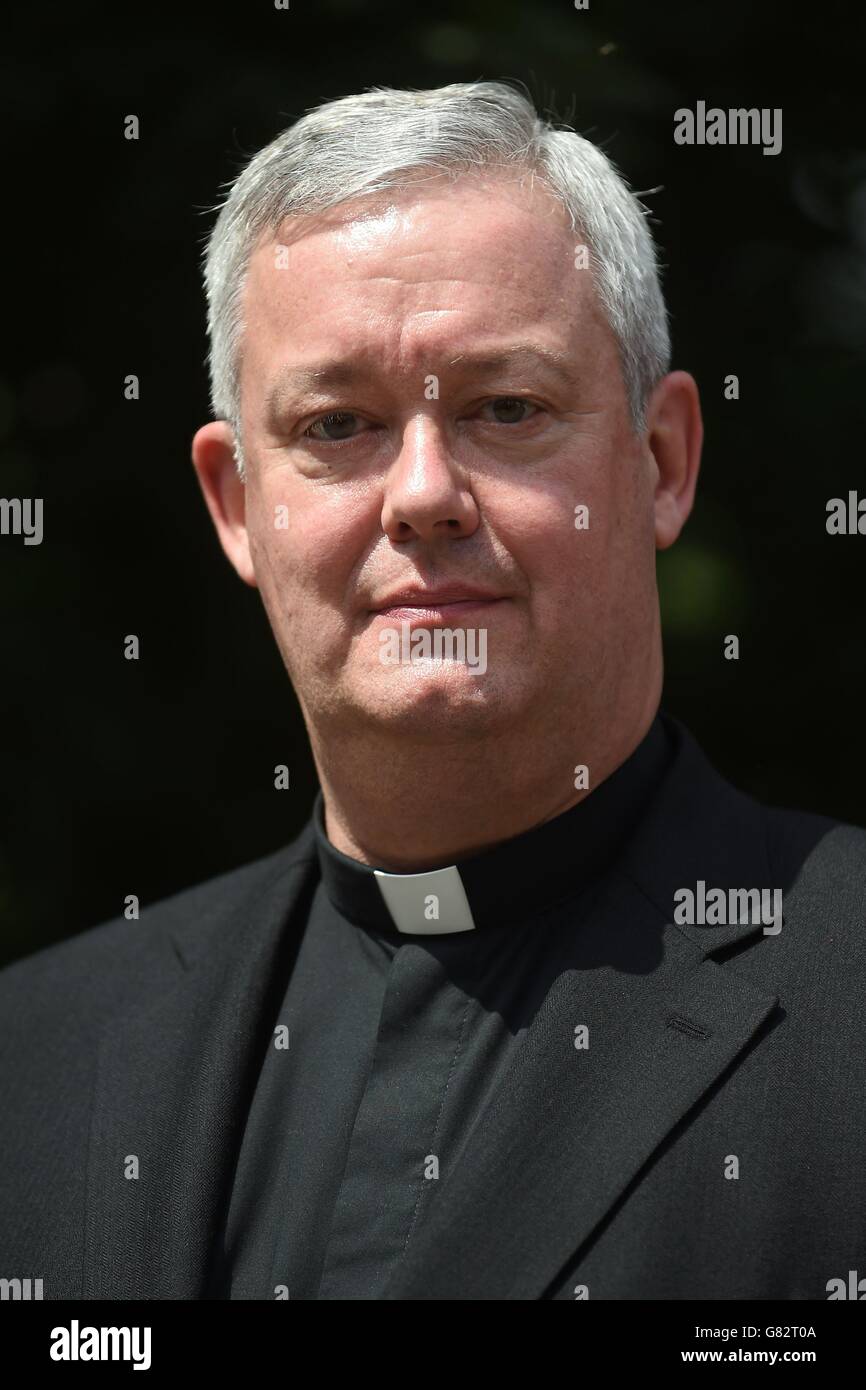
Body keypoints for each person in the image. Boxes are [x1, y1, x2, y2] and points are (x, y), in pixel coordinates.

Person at [2, 81, 864, 1302]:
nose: (421, 492)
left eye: (504, 409)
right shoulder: (33, 1057)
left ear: (659, 462)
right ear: (238, 506)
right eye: (338, 422)